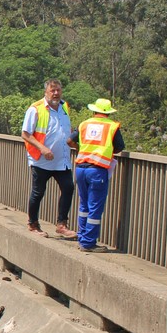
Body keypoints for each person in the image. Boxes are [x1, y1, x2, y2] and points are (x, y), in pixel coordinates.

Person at [20, 79, 75, 238]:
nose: (56, 93)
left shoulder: (65, 107)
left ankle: (62, 224)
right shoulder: (35, 109)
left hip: (61, 159)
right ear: (46, 92)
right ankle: (33, 224)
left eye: (58, 90)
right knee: (38, 192)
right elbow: (25, 134)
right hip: (41, 159)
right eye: (53, 90)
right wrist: (42, 148)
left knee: (68, 188)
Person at [70, 98, 125, 252]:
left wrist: (81, 149)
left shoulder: (84, 124)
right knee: (95, 207)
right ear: (107, 113)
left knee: (84, 205)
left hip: (81, 168)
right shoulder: (112, 126)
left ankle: (82, 237)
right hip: (97, 170)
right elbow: (119, 147)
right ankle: (88, 243)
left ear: (94, 111)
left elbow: (69, 140)